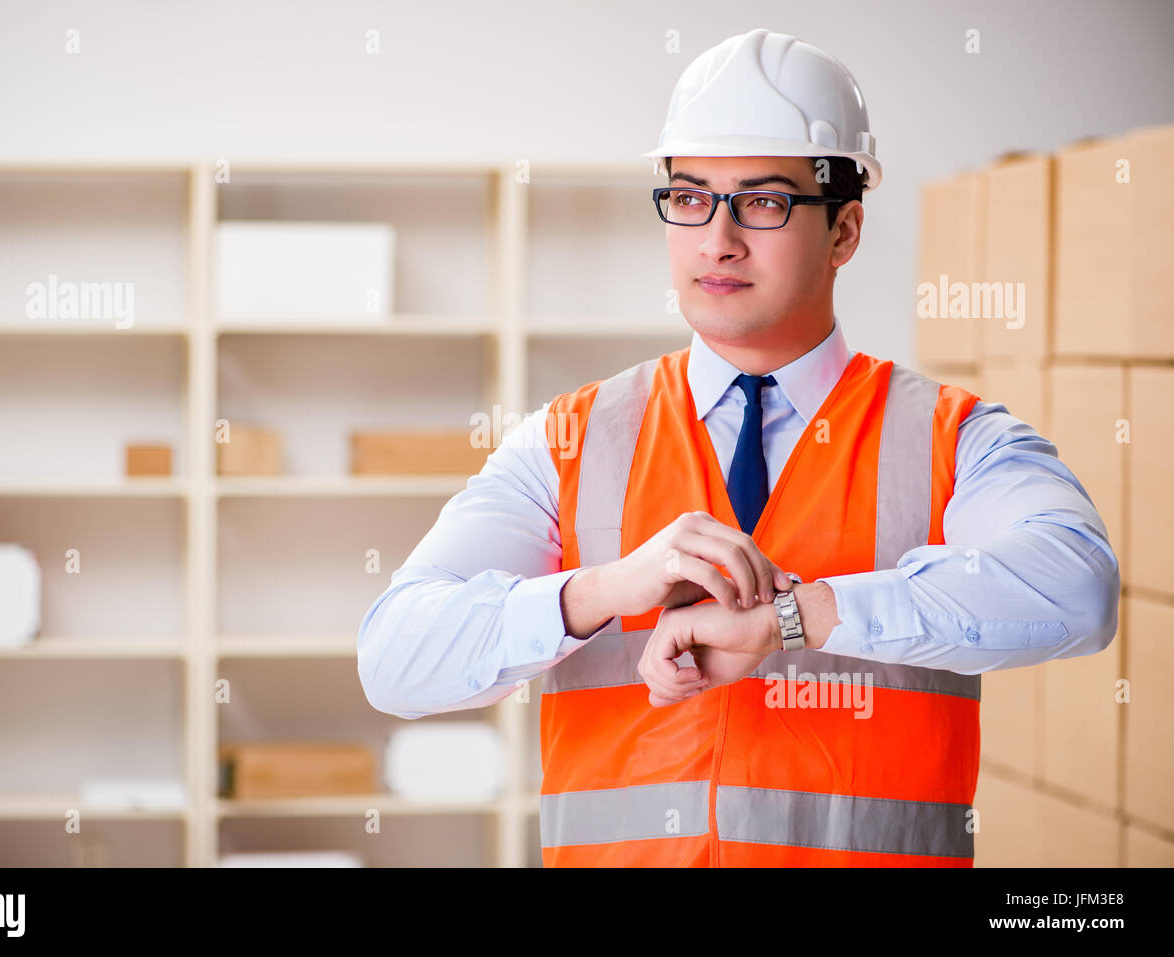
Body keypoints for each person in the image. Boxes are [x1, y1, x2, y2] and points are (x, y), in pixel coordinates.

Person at [357, 28, 1119, 867]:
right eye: (690, 197)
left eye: (763, 201)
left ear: (845, 230)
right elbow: (395, 657)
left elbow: (1079, 592)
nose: (717, 239)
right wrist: (607, 586)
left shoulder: (952, 435)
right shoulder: (570, 439)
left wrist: (800, 618)